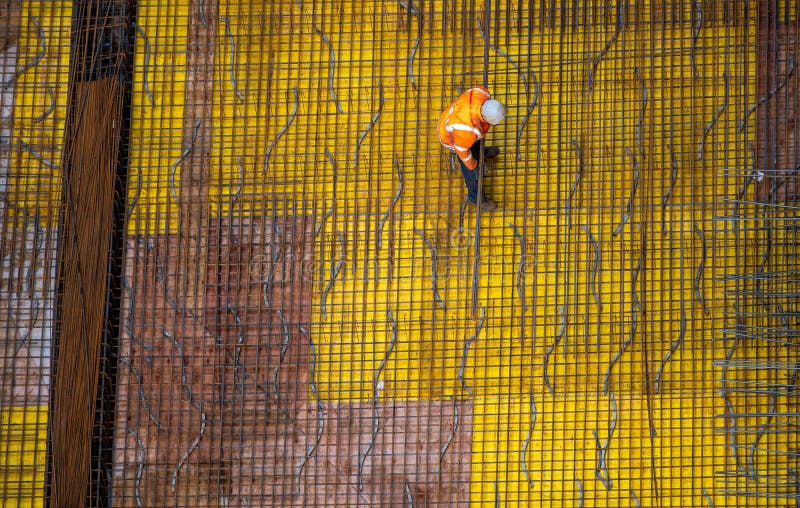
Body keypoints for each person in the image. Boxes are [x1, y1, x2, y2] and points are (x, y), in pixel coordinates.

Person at [437, 85, 506, 211]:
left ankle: (481, 153)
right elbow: (462, 151)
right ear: (486, 119)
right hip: (452, 138)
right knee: (471, 171)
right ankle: (475, 198)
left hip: (457, 120)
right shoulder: (466, 131)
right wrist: (473, 164)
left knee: (477, 142)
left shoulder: (481, 94)